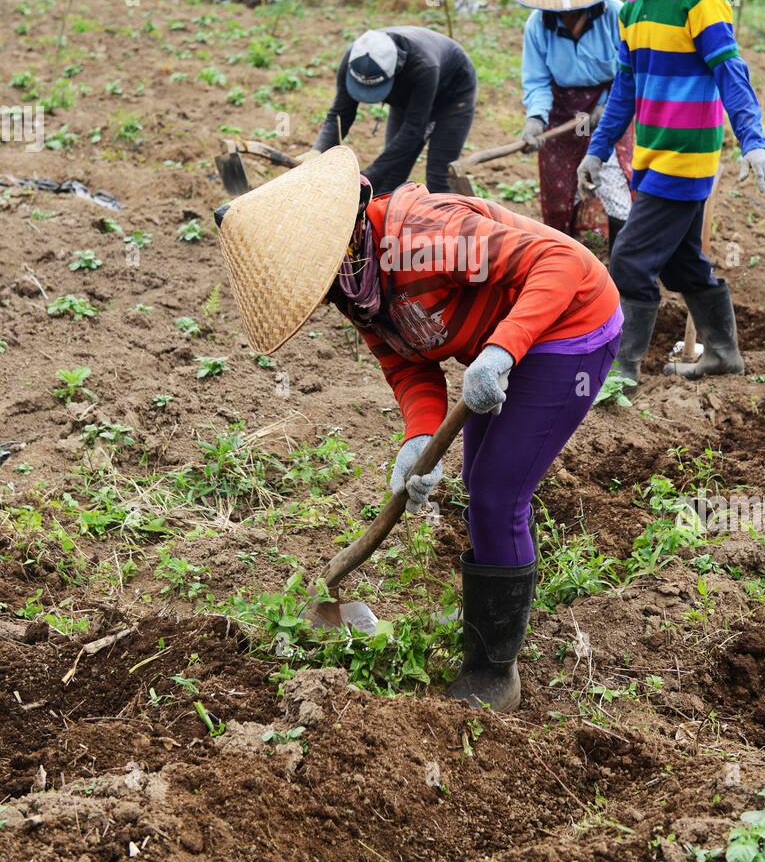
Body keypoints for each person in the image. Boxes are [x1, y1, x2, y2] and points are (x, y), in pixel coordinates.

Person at [216, 146, 622, 711]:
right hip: (503, 345)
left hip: (566, 325)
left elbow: (564, 265)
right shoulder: (355, 282)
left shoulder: (422, 236)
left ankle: (493, 674)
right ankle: (488, 620)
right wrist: (416, 441)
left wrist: (503, 350)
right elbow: (408, 365)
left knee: (498, 497)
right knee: (481, 485)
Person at [578, 0, 765, 383]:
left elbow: (732, 73)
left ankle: (622, 369)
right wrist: (597, 148)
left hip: (686, 156)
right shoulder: (632, 9)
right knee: (682, 264)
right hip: (651, 156)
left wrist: (753, 140)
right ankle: (723, 354)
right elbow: (624, 90)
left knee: (628, 259)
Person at [513, 0, 633, 250]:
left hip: (613, 104)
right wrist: (536, 120)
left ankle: (622, 265)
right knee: (558, 187)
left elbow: (628, 71)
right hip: (562, 109)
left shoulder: (616, 16)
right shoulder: (537, 26)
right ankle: (565, 254)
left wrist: (607, 107)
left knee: (613, 179)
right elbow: (537, 80)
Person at [308, 26, 476, 194]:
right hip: (407, 96)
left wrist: (368, 176)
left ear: (395, 70)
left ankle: (449, 217)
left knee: (439, 179)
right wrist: (317, 152)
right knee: (389, 178)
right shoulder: (354, 58)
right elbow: (340, 114)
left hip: (453, 95)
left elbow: (413, 129)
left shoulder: (424, 66)